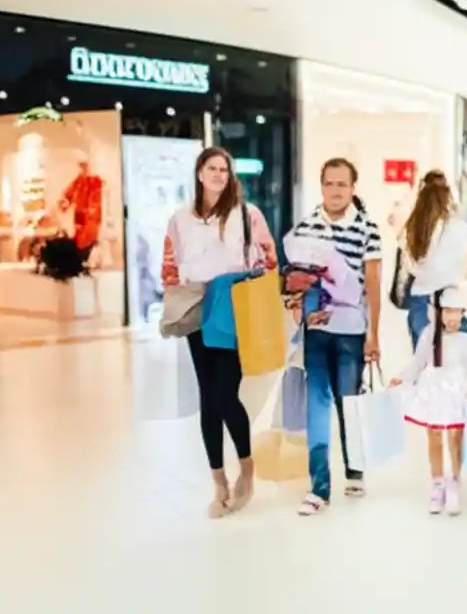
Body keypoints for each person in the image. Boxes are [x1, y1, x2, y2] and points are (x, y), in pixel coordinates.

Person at [161, 146, 277, 519]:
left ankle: (246, 468)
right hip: (197, 307)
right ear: (199, 173)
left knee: (226, 393)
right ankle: (218, 482)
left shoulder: (247, 214)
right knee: (207, 398)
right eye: (212, 169)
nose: (218, 175)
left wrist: (248, 278)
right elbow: (169, 264)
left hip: (232, 309)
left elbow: (269, 259)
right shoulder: (180, 219)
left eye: (224, 170)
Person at [285, 158, 384, 515]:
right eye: (329, 183)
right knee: (317, 404)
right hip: (315, 329)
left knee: (349, 401)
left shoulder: (368, 228)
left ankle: (354, 469)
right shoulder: (306, 227)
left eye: (342, 184)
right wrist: (296, 296)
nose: (336, 190)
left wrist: (374, 333)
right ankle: (319, 486)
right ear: (321, 185)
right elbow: (294, 278)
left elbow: (372, 282)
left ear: (353, 188)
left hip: (351, 329)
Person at [390, 283, 467, 515]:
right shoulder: (429, 335)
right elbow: (418, 361)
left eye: (456, 312)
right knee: (435, 435)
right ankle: (437, 482)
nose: (451, 317)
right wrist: (403, 377)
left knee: (455, 435)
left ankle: (454, 481)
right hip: (433, 389)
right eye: (447, 311)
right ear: (438, 313)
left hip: (456, 389)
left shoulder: (465, 340)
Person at [403, 170, 467, 347]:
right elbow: (464, 263)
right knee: (455, 363)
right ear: (447, 196)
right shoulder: (458, 226)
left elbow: (409, 266)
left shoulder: (413, 228)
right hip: (450, 300)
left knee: (424, 363)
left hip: (420, 298)